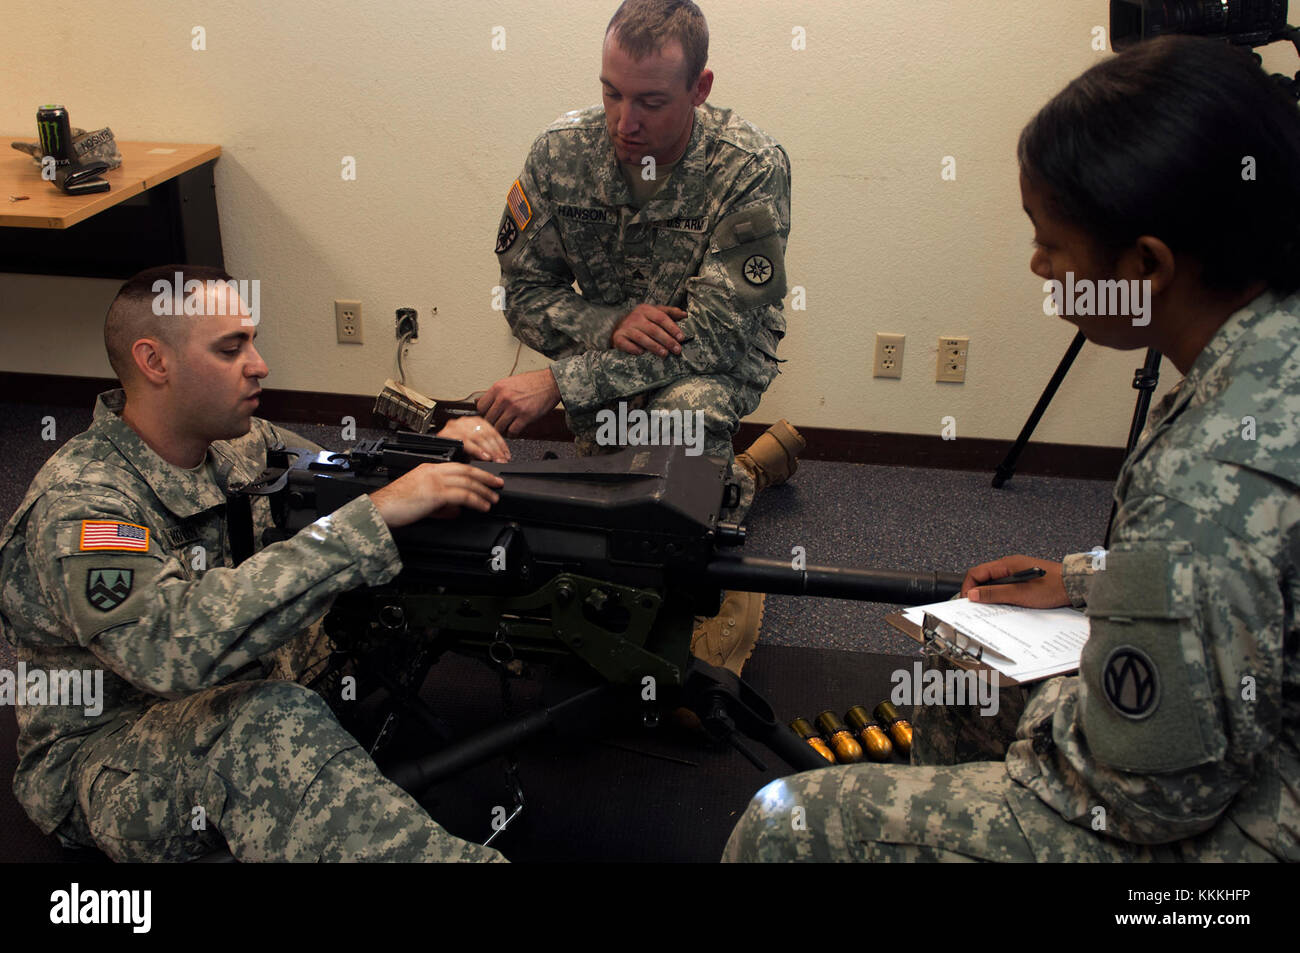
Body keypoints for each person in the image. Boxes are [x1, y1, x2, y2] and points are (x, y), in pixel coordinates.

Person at [723, 35, 1300, 862]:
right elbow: (1253, 558)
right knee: (957, 683)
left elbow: (1149, 793)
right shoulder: (1268, 343)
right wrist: (1085, 579)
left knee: (787, 824)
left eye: (1051, 240)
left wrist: (1039, 712)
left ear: (1145, 265)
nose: (1037, 265)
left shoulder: (1207, 467)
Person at [0, 265, 510, 862]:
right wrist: (368, 519)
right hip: (110, 749)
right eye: (230, 347)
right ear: (154, 362)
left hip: (243, 672)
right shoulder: (83, 506)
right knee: (269, 722)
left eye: (253, 339)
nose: (260, 363)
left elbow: (341, 478)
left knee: (409, 571)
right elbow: (169, 651)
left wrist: (435, 446)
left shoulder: (235, 439)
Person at [476, 0, 804, 676]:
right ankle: (735, 480)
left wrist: (559, 382)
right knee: (622, 483)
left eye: (651, 101)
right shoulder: (559, 153)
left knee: (678, 425)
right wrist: (607, 325)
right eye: (611, 93)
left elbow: (713, 333)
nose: (625, 122)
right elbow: (522, 292)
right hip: (610, 356)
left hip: (717, 357)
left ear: (700, 88)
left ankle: (698, 611)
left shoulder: (751, 166)